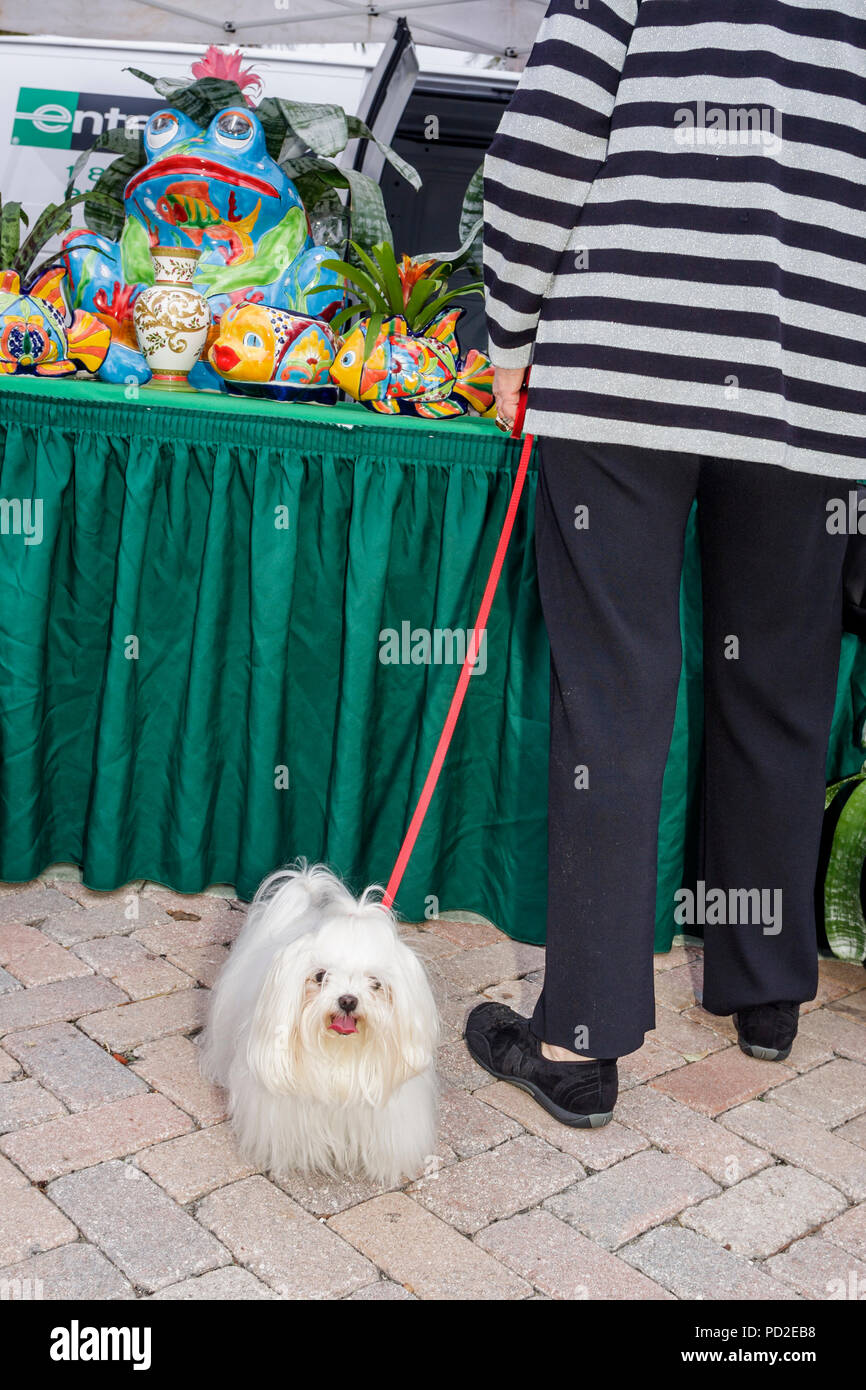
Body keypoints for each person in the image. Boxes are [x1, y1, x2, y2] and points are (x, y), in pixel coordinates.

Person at [464, 0, 866, 1127]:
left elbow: (543, 141)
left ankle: (577, 1042)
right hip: (818, 378)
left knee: (612, 699)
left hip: (626, 365)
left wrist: (507, 338)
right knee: (780, 686)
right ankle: (765, 989)